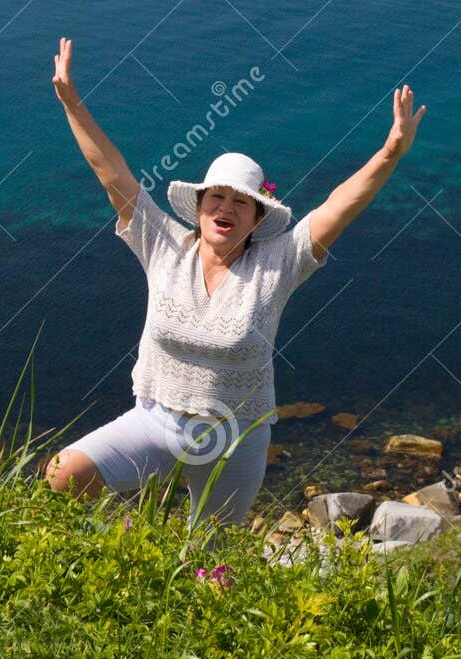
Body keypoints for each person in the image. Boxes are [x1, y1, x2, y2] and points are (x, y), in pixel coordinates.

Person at [44, 37, 425, 526]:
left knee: (211, 562)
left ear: (256, 217)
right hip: (154, 419)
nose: (225, 207)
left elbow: (339, 205)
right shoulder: (163, 244)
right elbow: (110, 171)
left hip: (234, 440)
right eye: (216, 198)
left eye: (239, 201)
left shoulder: (278, 263)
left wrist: (391, 151)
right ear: (199, 208)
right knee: (61, 475)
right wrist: (72, 103)